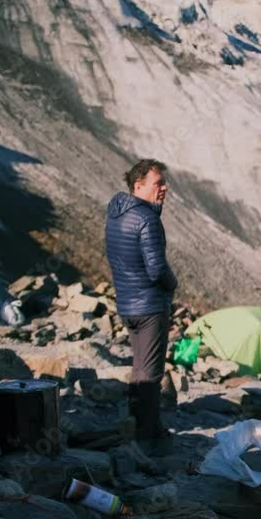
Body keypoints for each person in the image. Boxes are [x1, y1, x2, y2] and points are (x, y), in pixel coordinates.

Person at [105, 159, 177, 453]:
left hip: (127, 303)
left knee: (138, 368)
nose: (164, 188)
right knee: (150, 373)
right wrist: (172, 285)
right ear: (139, 185)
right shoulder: (147, 220)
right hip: (149, 305)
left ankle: (138, 425)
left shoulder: (116, 215)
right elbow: (156, 269)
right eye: (158, 183)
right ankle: (149, 437)